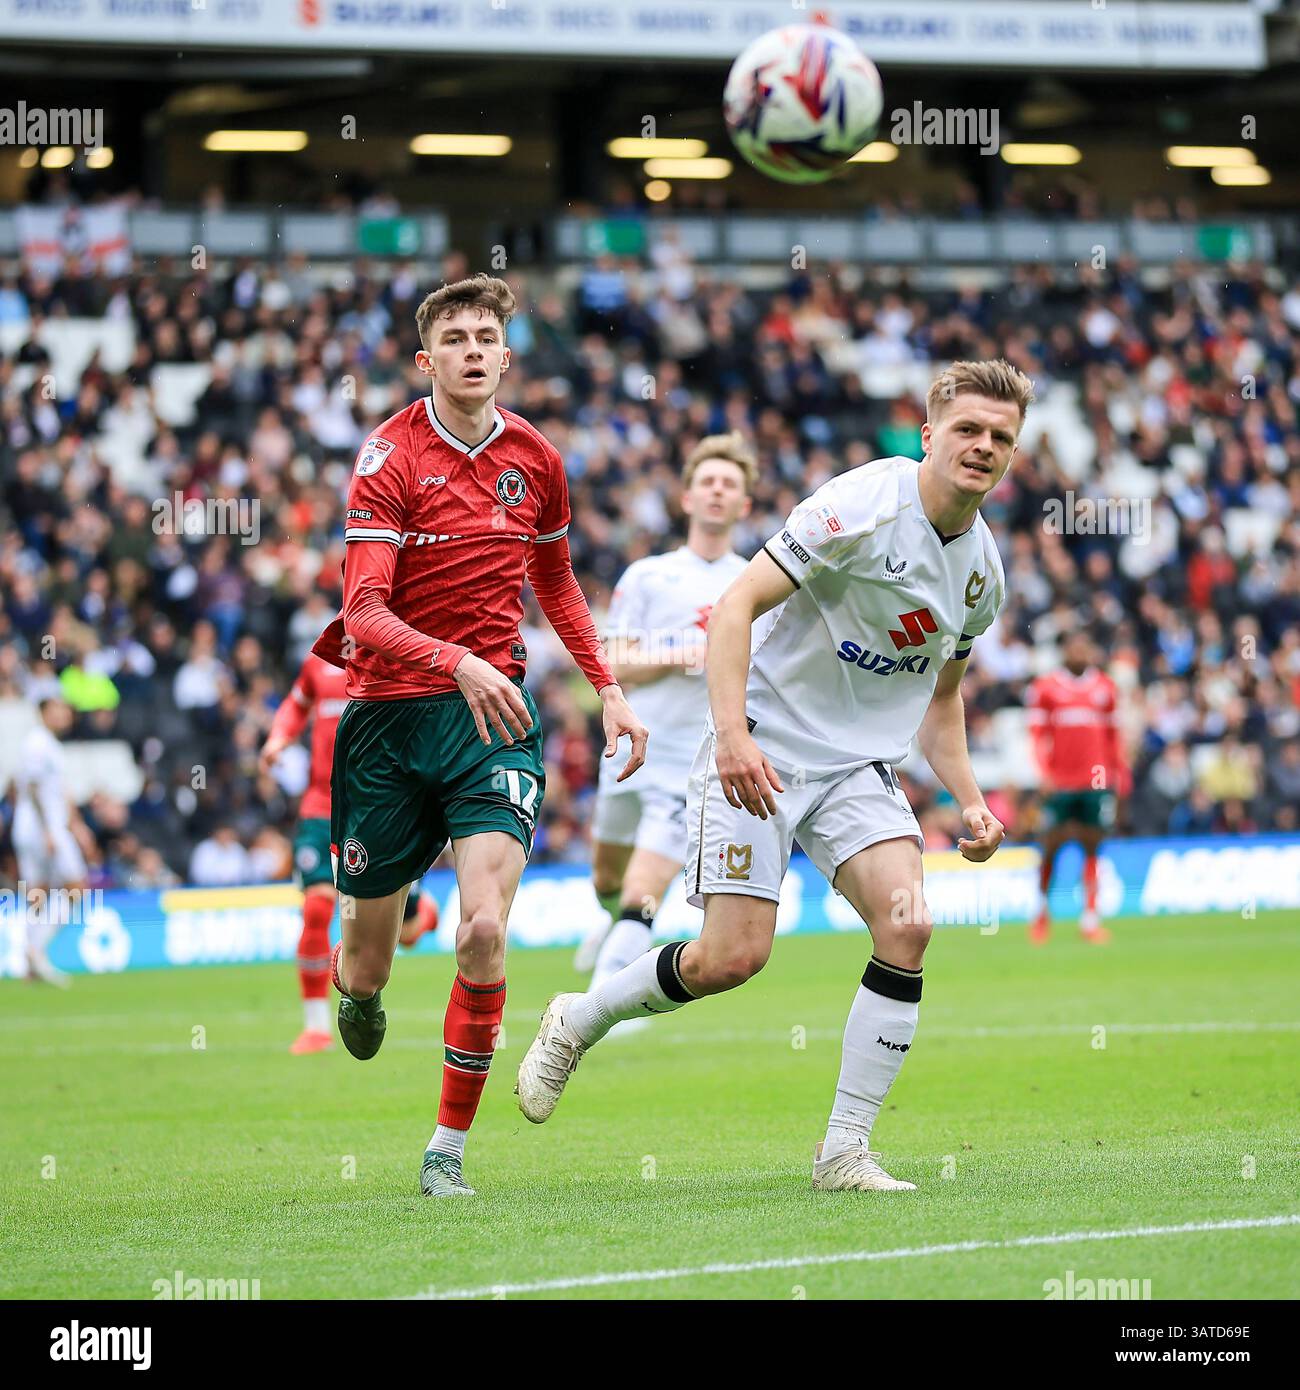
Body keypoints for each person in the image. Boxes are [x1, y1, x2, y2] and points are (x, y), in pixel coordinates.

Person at [518, 359, 1032, 1193]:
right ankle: (578, 1021)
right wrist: (729, 736)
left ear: (1012, 456)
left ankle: (843, 1153)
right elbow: (735, 607)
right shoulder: (861, 503)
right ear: (930, 434)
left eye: (1000, 438)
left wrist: (971, 802)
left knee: (908, 926)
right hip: (763, 744)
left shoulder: (981, 577)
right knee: (731, 959)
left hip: (855, 765)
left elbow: (942, 703)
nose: (982, 447)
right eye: (967, 430)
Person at [312, 273, 647, 1197]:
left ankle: (446, 1151)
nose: (470, 348)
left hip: (491, 722)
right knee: (370, 955)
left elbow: (560, 585)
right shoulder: (387, 457)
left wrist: (609, 688)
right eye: (452, 336)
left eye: (484, 335)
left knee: (484, 930)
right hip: (387, 721)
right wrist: (453, 658)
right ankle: (360, 989)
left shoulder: (536, 459)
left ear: (505, 355)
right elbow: (363, 611)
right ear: (426, 361)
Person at [576, 432, 754, 1003]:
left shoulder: (755, 581)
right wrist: (679, 653)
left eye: (731, 484)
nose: (718, 492)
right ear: (687, 498)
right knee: (608, 879)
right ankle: (608, 923)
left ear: (745, 504)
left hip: (695, 762)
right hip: (633, 749)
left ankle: (595, 1010)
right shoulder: (648, 577)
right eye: (708, 482)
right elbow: (613, 660)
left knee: (642, 894)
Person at [260, 651, 438, 1055]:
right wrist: (278, 738)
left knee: (404, 935)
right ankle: (316, 1026)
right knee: (318, 908)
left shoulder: (396, 653)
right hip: (320, 808)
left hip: (375, 807)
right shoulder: (317, 663)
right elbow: (296, 702)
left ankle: (421, 913)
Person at [1025, 630, 1129, 945]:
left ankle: (1090, 919)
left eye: (1086, 647)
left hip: (1096, 781)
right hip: (1060, 782)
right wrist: (1043, 773)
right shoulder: (1046, 689)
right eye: (1075, 647)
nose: (1081, 653)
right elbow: (1037, 735)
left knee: (1093, 846)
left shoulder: (1106, 688)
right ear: (1065, 651)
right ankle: (1042, 913)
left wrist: (1119, 773)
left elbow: (1114, 738)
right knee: (1052, 847)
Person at [10, 697, 87, 986]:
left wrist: (75, 822)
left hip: (40, 829)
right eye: (57, 711)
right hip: (43, 830)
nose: (64, 715)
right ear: (43, 713)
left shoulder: (47, 744)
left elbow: (55, 789)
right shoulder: (38, 743)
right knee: (76, 888)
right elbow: (31, 787)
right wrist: (48, 830)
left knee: (38, 895)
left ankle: (30, 962)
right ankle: (35, 949)